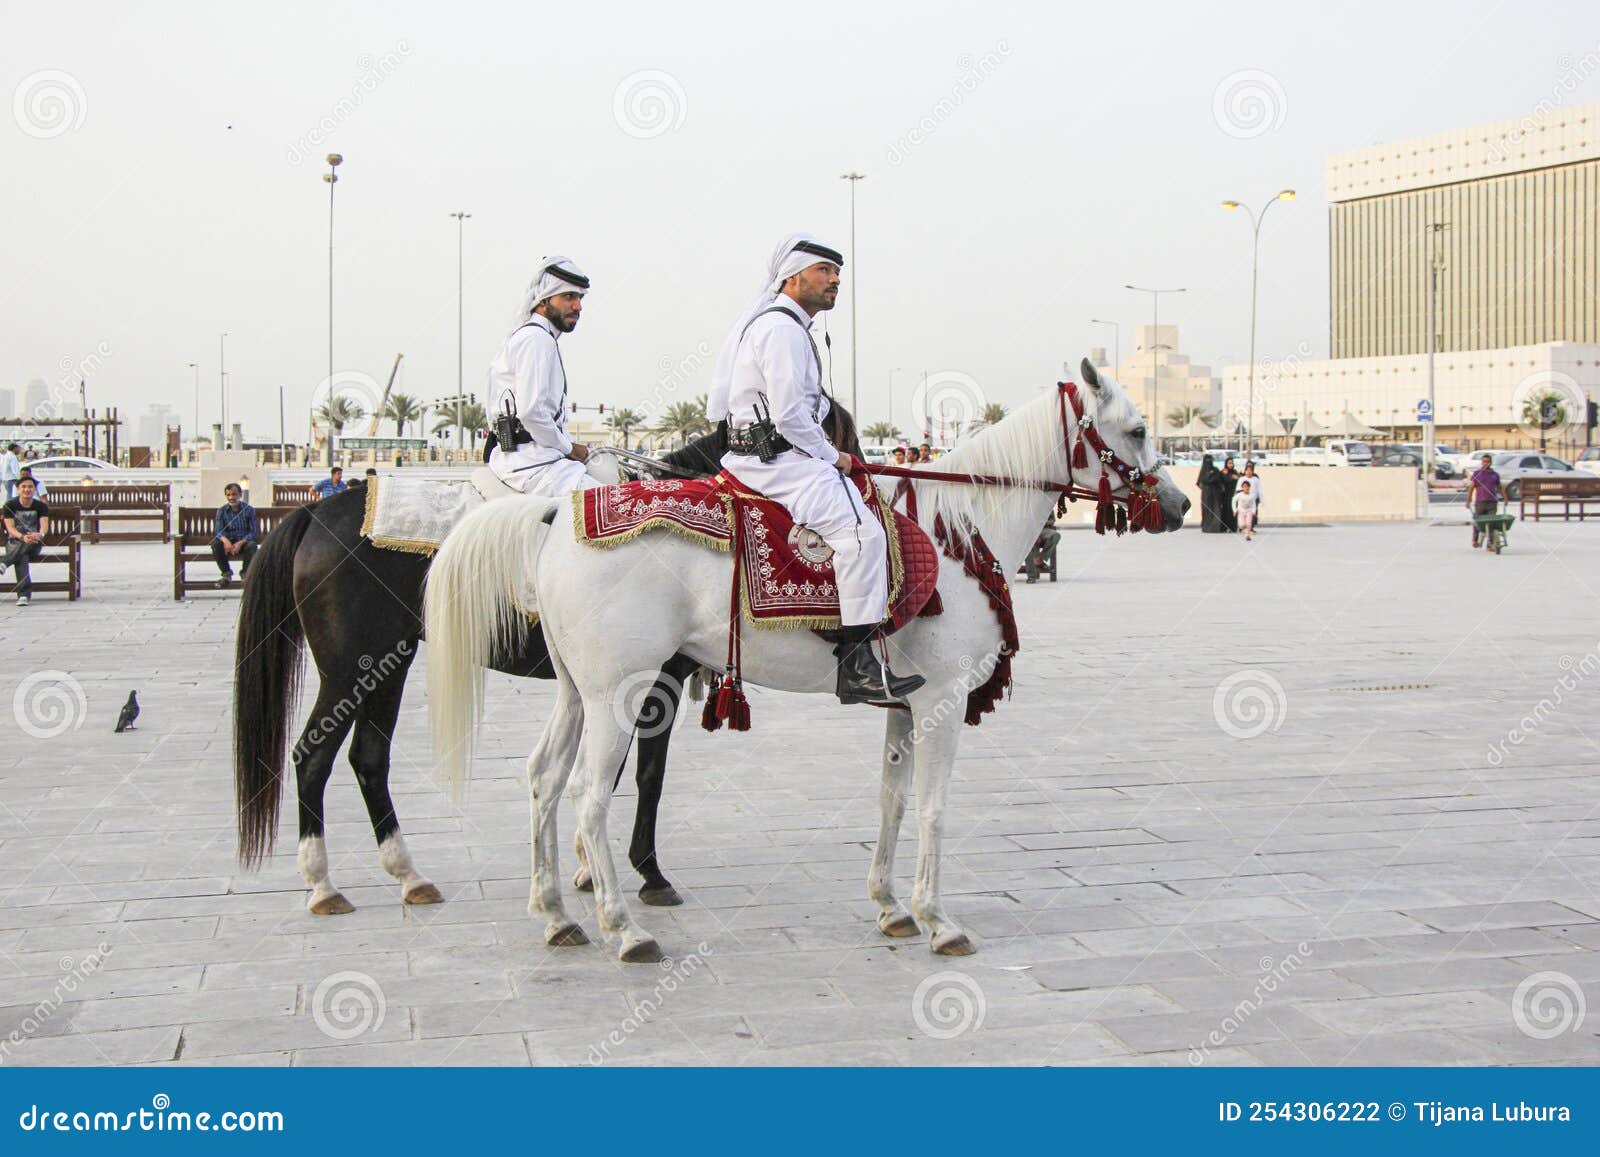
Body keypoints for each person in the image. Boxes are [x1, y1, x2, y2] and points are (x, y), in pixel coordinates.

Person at [708, 232, 924, 705]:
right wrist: (836, 457)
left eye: (837, 273)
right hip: (781, 463)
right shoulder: (783, 328)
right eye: (824, 271)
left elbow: (807, 402)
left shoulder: (783, 326)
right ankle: (859, 667)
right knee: (862, 535)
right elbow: (790, 416)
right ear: (792, 276)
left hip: (764, 457)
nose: (835, 280)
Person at [485, 256, 604, 496]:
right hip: (531, 463)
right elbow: (531, 412)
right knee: (612, 504)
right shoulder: (537, 339)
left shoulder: (538, 337)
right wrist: (569, 448)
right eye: (569, 297)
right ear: (544, 299)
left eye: (580, 298)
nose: (578, 306)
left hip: (537, 456)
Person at [3, 476, 49, 606]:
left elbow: (44, 526)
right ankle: (23, 595)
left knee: (27, 546)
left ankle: (4, 563)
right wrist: (22, 537)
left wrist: (39, 535)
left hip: (35, 542)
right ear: (18, 489)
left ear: (35, 489)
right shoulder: (10, 505)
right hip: (15, 542)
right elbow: (10, 528)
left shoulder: (41, 506)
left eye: (30, 487)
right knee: (22, 556)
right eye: (24, 487)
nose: (27, 489)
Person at [212, 482, 259, 586]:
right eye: (228, 495)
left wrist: (240, 543)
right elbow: (218, 531)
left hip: (243, 543)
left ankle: (245, 575)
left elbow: (253, 532)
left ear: (240, 495)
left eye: (234, 494)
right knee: (215, 544)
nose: (231, 497)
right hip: (227, 544)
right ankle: (226, 575)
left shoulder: (249, 510)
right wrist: (226, 541)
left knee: (252, 546)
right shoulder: (222, 511)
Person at [1467, 453, 1504, 548]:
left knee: (1491, 523)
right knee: (1477, 521)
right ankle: (1475, 539)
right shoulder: (1477, 474)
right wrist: (1468, 500)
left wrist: (1505, 497)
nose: (1485, 463)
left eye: (1487, 462)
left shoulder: (1495, 475)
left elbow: (1499, 487)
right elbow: (1471, 488)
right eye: (1484, 461)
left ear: (1490, 463)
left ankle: (1490, 544)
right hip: (1480, 502)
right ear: (1481, 462)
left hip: (1492, 502)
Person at [1025, 511, 1060, 583]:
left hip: (1044, 530)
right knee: (1030, 545)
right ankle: (1031, 576)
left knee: (1055, 535)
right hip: (1029, 531)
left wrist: (1042, 522)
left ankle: (1040, 559)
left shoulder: (1047, 502)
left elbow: (1052, 521)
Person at [1197, 454, 1228, 533]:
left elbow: (1218, 478)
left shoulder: (1215, 470)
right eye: (1207, 460)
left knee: (1216, 510)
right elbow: (1200, 482)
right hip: (1206, 494)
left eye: (1210, 460)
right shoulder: (1203, 471)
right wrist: (1210, 478)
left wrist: (1210, 478)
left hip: (1215, 493)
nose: (1208, 462)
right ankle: (1206, 527)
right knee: (1207, 510)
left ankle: (1215, 528)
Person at [1241, 461, 1263, 530]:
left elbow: (1258, 488)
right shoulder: (1242, 477)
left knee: (1252, 513)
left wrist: (1260, 498)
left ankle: (1250, 528)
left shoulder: (1255, 477)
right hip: (1244, 499)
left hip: (1253, 498)